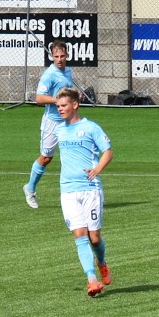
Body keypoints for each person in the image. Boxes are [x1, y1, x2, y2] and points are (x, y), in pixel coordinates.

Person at [53, 88, 113, 297]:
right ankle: (92, 280)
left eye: (64, 105)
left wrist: (97, 169)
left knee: (94, 238)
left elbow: (108, 151)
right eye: (58, 106)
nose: (60, 109)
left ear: (75, 105)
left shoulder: (90, 128)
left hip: (90, 189)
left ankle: (102, 263)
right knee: (80, 235)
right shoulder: (59, 131)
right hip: (68, 190)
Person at [23, 41, 75, 209]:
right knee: (46, 158)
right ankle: (30, 188)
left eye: (62, 56)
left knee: (72, 155)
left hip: (67, 121)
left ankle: (73, 193)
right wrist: (58, 101)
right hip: (52, 122)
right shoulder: (49, 75)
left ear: (67, 55)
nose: (59, 59)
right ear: (51, 57)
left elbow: (66, 93)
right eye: (56, 56)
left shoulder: (68, 71)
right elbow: (39, 98)